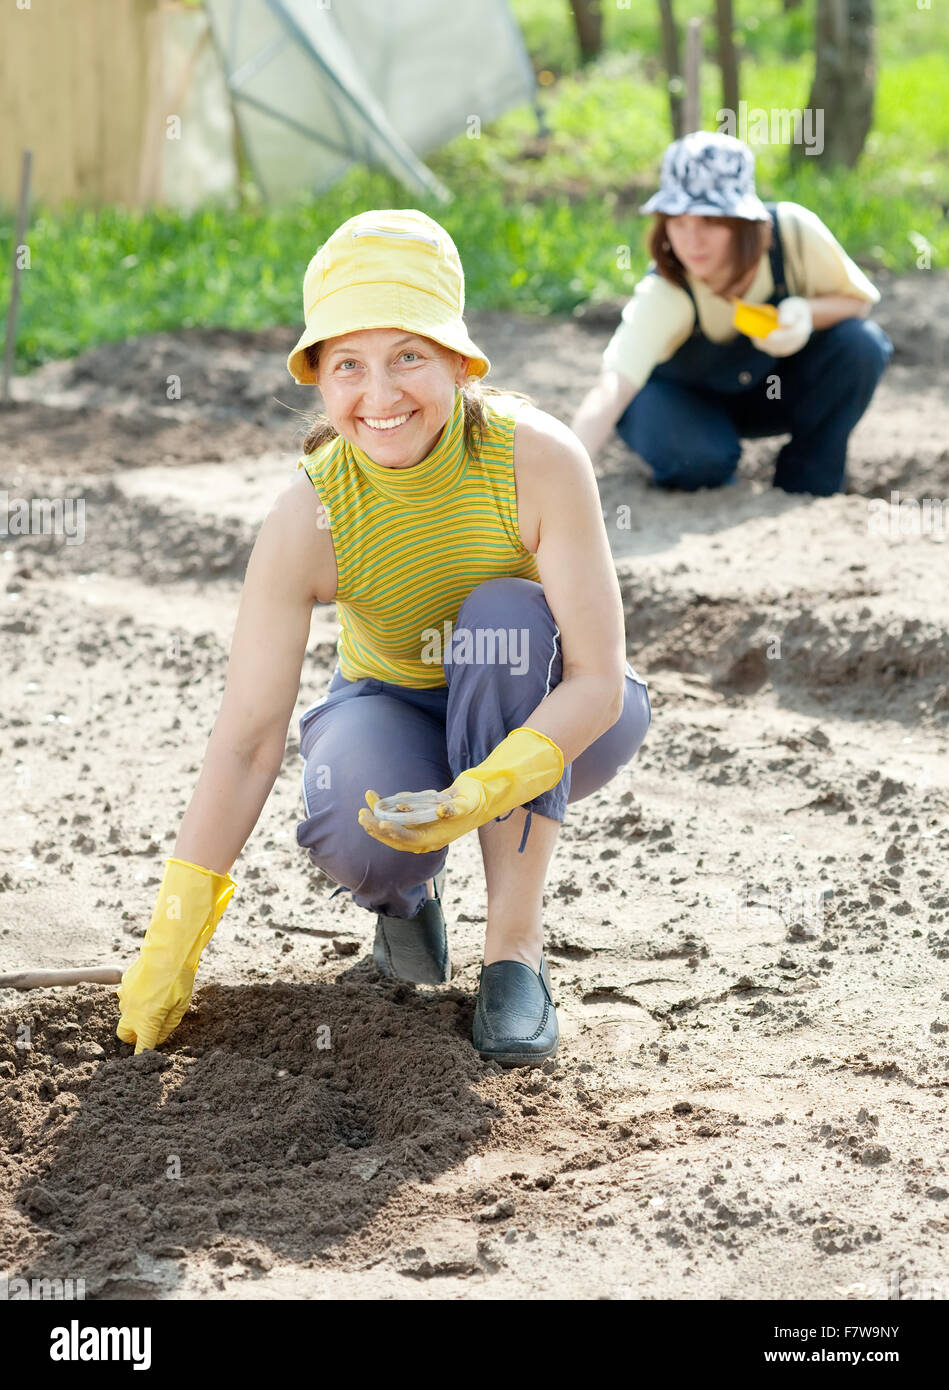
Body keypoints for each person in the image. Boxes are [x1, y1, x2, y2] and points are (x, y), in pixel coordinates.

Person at [115, 209, 651, 1068]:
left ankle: (513, 953)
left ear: (458, 363)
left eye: (409, 355)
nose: (381, 394)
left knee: (505, 619)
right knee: (350, 822)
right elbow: (250, 739)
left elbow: (599, 679)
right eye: (348, 366)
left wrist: (488, 786)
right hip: (393, 705)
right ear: (319, 381)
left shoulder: (537, 460)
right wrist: (171, 939)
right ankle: (404, 902)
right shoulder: (309, 515)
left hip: (553, 706)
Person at [571, 131, 893, 495]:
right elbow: (613, 387)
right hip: (678, 403)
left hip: (769, 393)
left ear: (743, 220)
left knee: (861, 344)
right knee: (700, 460)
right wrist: (564, 471)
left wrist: (805, 311)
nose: (691, 242)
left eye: (709, 221)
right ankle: (689, 452)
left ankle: (807, 480)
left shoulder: (793, 235)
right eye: (678, 222)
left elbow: (858, 301)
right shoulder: (667, 289)